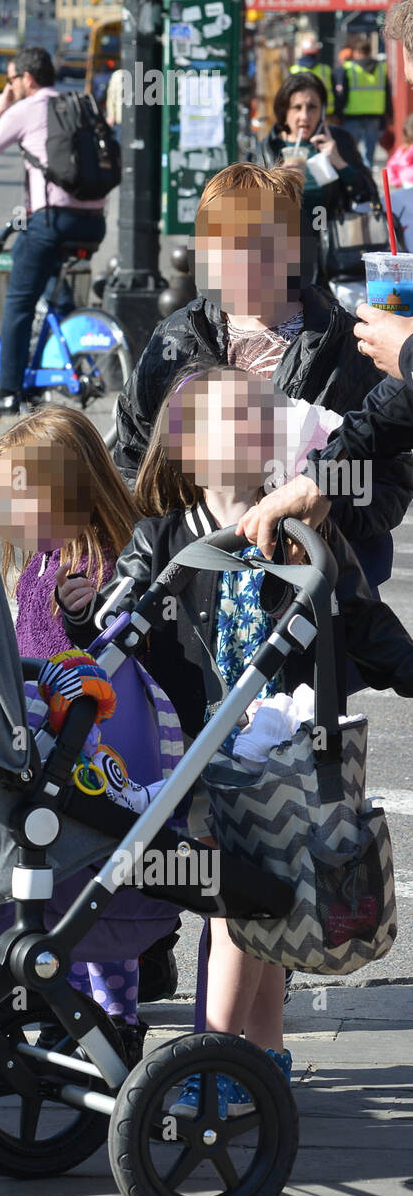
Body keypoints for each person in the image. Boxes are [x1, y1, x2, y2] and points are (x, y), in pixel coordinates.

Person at [63, 362, 413, 1113]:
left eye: (265, 416)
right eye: (238, 418)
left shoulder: (304, 530)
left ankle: (247, 1059)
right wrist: (88, 611)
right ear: (188, 446)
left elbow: (363, 620)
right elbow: (120, 622)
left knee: (263, 904)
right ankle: (229, 1059)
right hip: (193, 756)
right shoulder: (163, 535)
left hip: (281, 757)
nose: (260, 429)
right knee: (240, 905)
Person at [113, 161, 409, 597]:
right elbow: (132, 458)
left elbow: (387, 476)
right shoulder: (176, 338)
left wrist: (316, 509)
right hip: (194, 587)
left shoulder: (349, 344)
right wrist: (168, 538)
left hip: (312, 587)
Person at [0, 407, 162, 1059]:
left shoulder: (97, 566)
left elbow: (112, 659)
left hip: (90, 754)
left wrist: (80, 615)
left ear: (66, 490)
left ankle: (113, 1022)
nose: (5, 511)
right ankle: (77, 1015)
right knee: (68, 894)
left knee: (87, 895)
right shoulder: (42, 561)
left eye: (17, 496)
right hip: (49, 749)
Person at [241, 0, 413, 558]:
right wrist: (321, 479)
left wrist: (407, 352)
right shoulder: (266, 152)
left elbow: (366, 198)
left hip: (336, 277)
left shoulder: (338, 145)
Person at [0, 45, 108, 421]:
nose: (9, 86)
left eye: (11, 79)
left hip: (51, 221)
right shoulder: (79, 103)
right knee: (51, 289)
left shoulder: (27, 108)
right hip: (93, 221)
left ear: (26, 78)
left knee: (19, 302)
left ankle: (7, 392)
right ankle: (61, 356)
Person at [254, 73, 378, 286]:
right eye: (297, 107)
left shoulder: (338, 140)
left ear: (322, 110)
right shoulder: (268, 149)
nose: (304, 116)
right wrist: (277, 183)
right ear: (284, 111)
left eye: (312, 107)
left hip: (333, 259)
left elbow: (369, 196)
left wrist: (339, 162)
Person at [334, 33, 392, 169]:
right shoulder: (381, 67)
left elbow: (342, 94)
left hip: (353, 114)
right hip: (375, 114)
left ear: (356, 52)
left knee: (349, 148)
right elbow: (387, 92)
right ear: (369, 51)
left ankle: (353, 174)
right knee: (369, 150)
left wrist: (338, 113)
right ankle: (368, 173)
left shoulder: (349, 67)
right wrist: (390, 114)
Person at [288, 33, 336, 118]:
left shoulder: (294, 70)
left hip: (302, 116)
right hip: (326, 113)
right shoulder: (326, 69)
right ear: (317, 50)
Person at [384, 112, 413, 188]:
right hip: (408, 182)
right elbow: (393, 164)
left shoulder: (404, 149)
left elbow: (392, 164)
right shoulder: (406, 149)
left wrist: (396, 180)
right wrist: (396, 180)